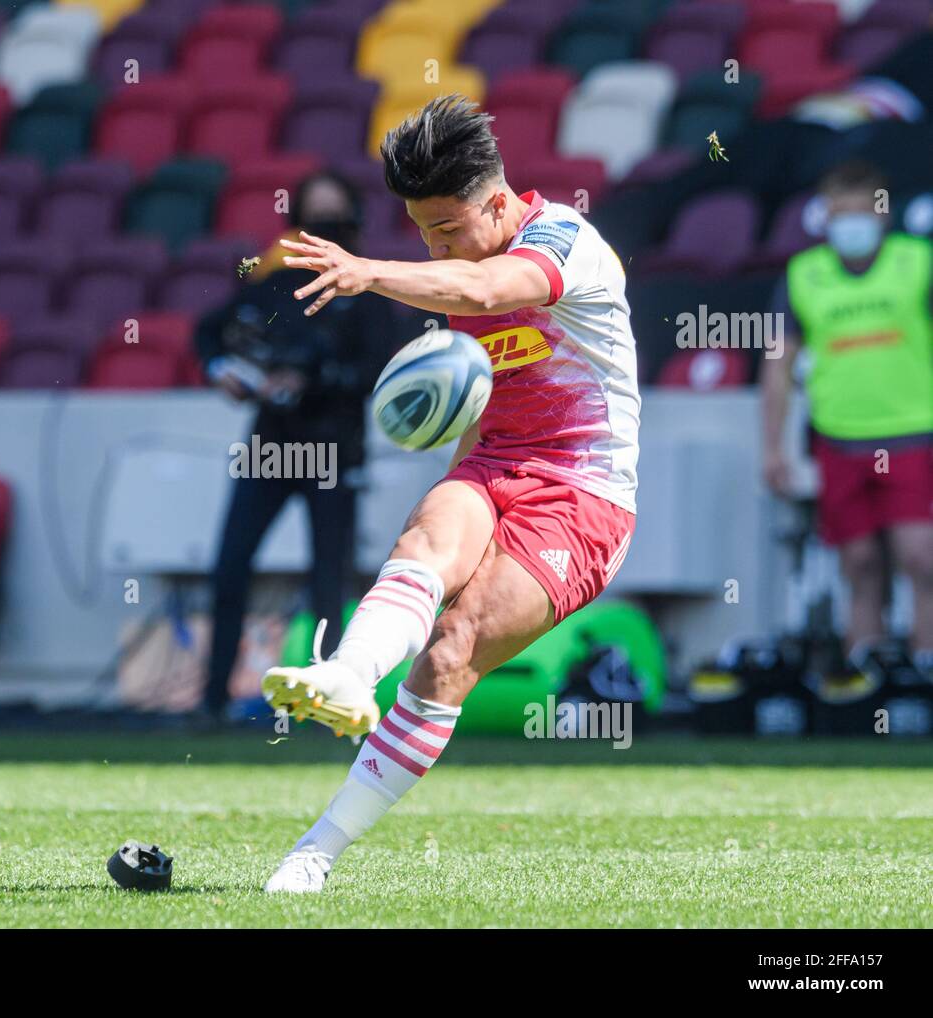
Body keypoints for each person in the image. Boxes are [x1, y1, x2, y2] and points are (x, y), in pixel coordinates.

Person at [256, 95, 641, 892]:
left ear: (498, 202)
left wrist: (367, 272)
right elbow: (476, 356)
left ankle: (317, 849)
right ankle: (349, 675)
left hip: (582, 493)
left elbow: (486, 288)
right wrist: (454, 494)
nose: (433, 245)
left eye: (446, 227)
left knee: (450, 652)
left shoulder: (566, 240)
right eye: (422, 230)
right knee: (427, 538)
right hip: (497, 461)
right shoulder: (453, 271)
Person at [194, 171, 396, 725]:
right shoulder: (274, 280)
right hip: (270, 445)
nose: (324, 233)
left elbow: (380, 374)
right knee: (230, 565)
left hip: (333, 447)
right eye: (315, 220)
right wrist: (226, 371)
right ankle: (211, 700)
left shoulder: (371, 290)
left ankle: (326, 697)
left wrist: (316, 379)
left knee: (328, 577)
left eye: (335, 220)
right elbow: (213, 330)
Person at [762, 159, 933, 684]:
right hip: (839, 439)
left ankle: (923, 673)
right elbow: (779, 364)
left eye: (860, 213)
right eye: (840, 215)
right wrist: (773, 447)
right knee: (858, 564)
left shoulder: (918, 263)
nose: (850, 226)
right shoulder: (803, 276)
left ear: (882, 215)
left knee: (920, 559)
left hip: (913, 433)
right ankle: (866, 678)